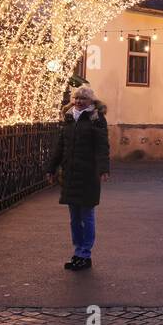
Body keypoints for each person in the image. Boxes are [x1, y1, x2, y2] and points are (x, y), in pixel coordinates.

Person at [47, 85, 110, 271]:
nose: (79, 101)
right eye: (76, 98)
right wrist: (51, 168)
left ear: (91, 101)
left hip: (88, 173)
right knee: (74, 218)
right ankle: (77, 252)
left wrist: (103, 168)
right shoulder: (68, 117)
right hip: (70, 174)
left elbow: (102, 146)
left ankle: (85, 253)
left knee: (86, 216)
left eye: (83, 98)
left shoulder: (96, 119)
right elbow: (60, 146)